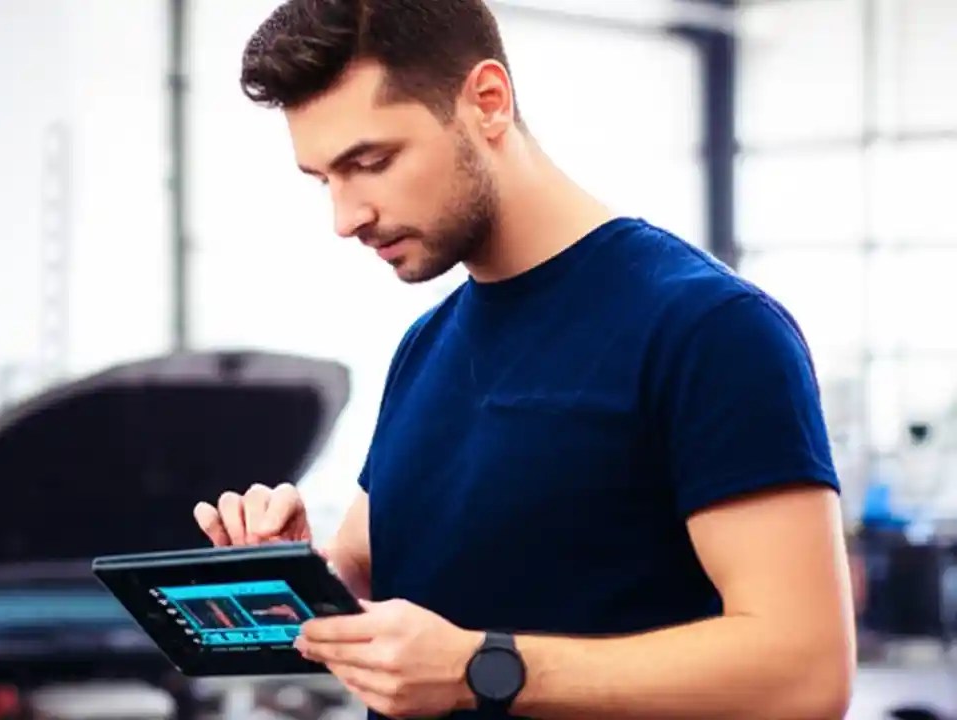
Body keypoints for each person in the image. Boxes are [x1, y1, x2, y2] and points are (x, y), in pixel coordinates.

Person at [193, 1, 856, 718]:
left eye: (372, 163)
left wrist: (481, 669)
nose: (346, 217)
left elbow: (805, 674)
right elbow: (366, 565)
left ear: (487, 101)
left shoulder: (710, 328)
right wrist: (296, 572)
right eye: (325, 179)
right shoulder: (426, 344)